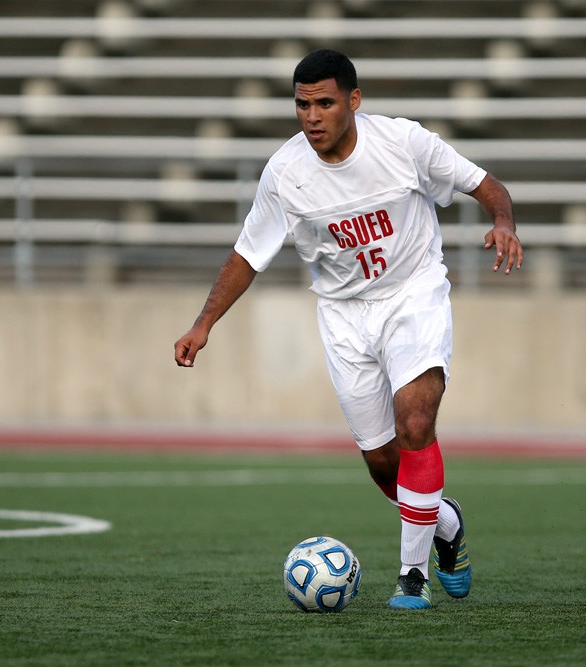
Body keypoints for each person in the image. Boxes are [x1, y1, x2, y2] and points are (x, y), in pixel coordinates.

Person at [174, 49, 523, 609]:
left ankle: (412, 577)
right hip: (343, 315)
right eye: (302, 105)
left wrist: (503, 223)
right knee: (384, 464)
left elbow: (487, 187)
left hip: (414, 295)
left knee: (415, 421)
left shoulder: (403, 144)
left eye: (325, 103)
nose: (312, 116)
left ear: (354, 101)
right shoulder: (285, 173)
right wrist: (203, 323)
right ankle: (446, 526)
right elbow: (247, 254)